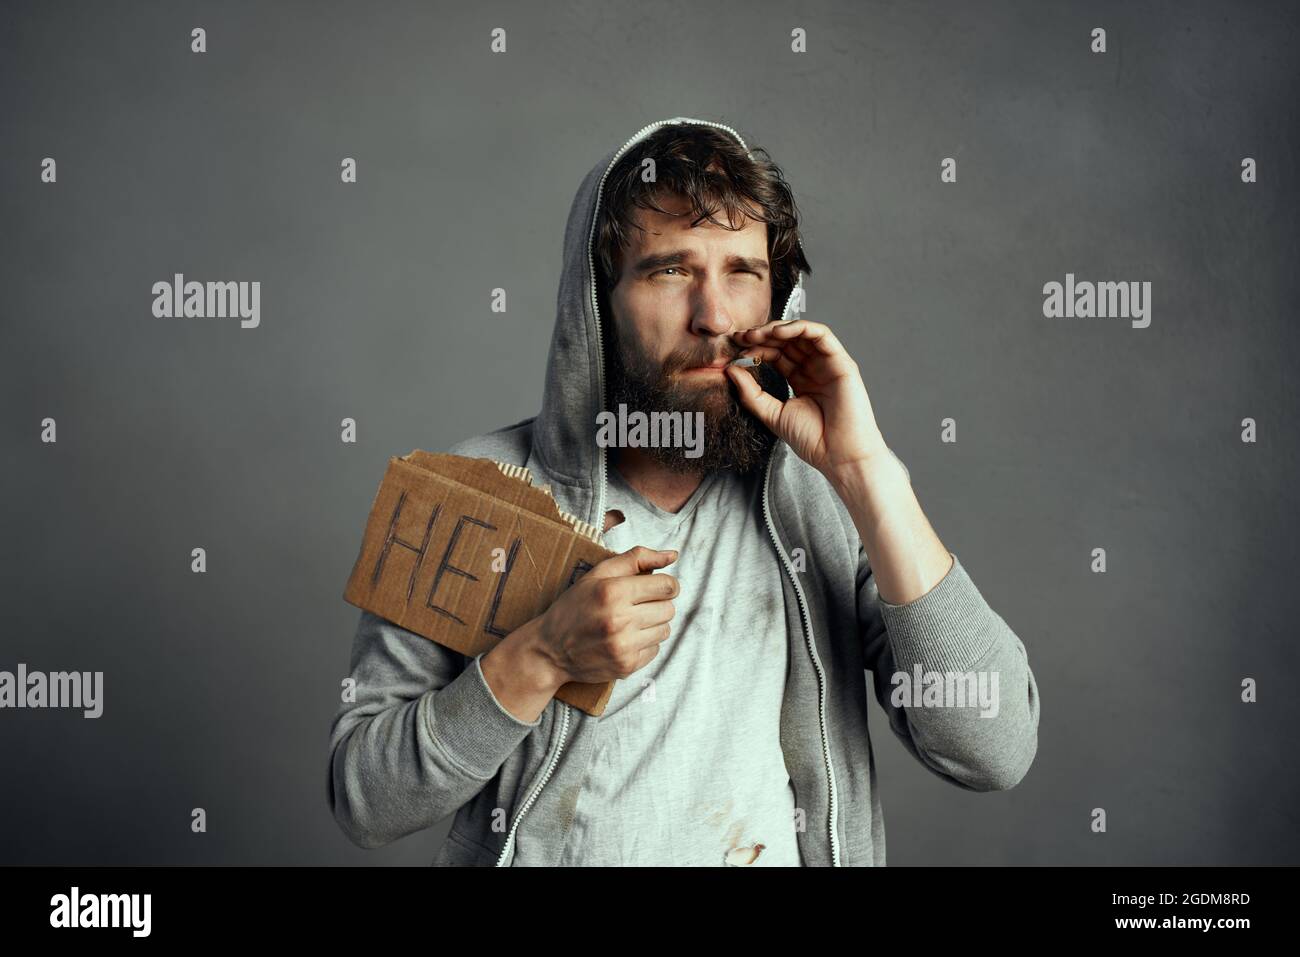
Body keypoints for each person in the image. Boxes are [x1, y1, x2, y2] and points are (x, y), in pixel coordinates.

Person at [326, 116, 1040, 866]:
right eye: (671, 270)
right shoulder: (477, 489)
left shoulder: (828, 502)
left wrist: (867, 473)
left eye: (743, 272)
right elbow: (365, 800)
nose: (715, 317)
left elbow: (993, 749)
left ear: (780, 297)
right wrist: (541, 654)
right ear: (599, 302)